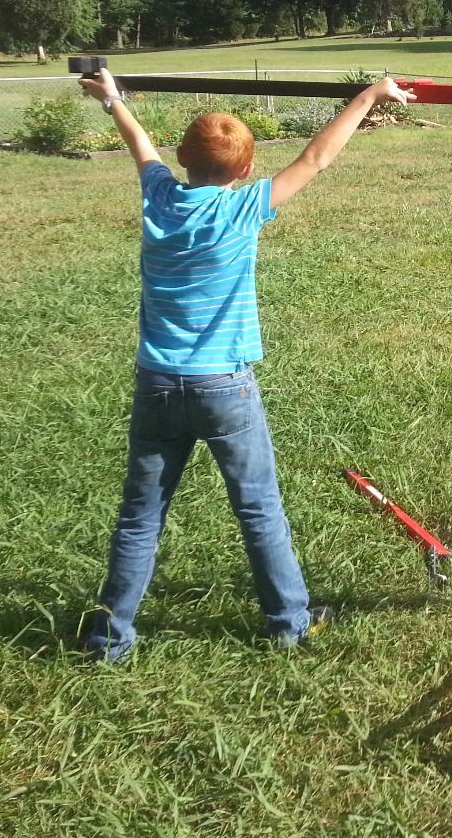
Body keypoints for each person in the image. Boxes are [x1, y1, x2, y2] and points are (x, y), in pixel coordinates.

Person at [79, 67, 413, 662]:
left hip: (157, 382)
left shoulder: (158, 196)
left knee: (139, 516)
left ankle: (108, 640)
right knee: (258, 508)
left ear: (182, 157)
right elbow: (314, 158)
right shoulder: (242, 210)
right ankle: (289, 624)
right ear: (244, 171)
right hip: (224, 385)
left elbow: (139, 144)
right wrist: (369, 95)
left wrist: (112, 100)